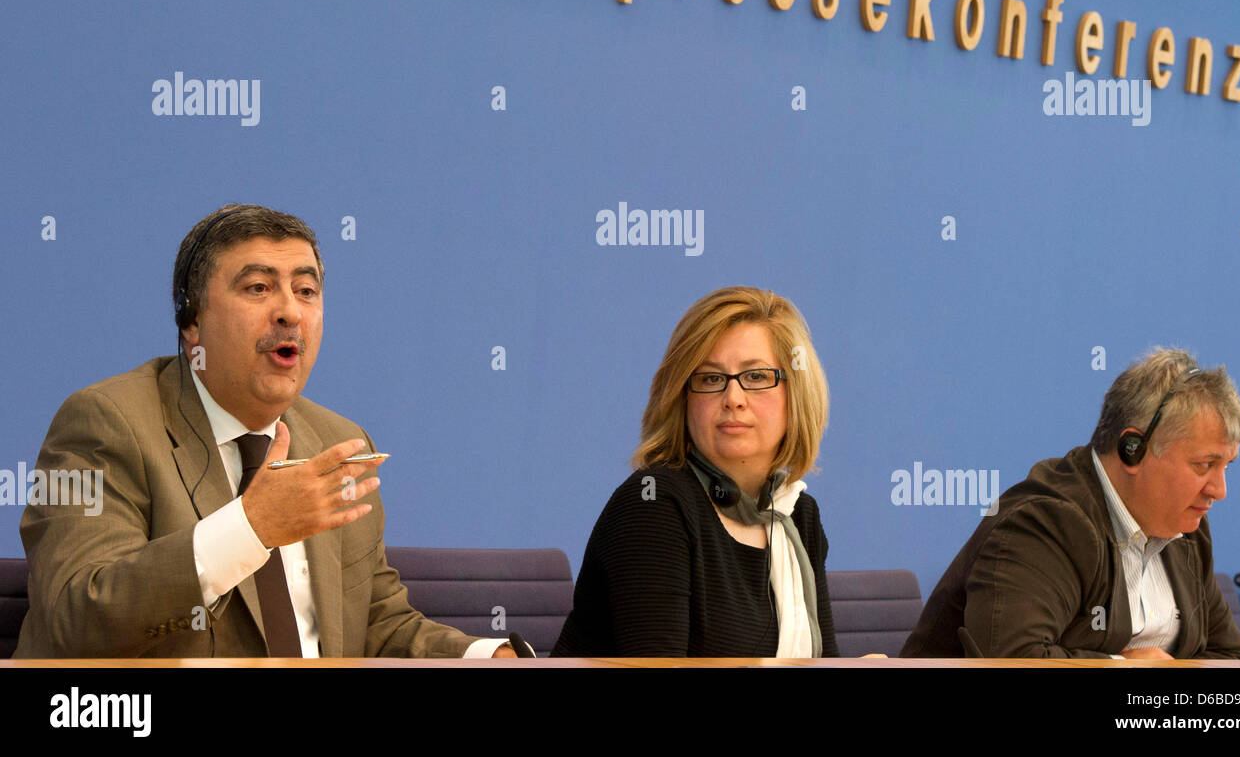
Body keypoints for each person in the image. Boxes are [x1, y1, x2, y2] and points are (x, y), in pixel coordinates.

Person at [16, 204, 515, 658]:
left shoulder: (335, 439)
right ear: (191, 321)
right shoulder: (105, 422)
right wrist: (251, 527)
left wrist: (486, 656)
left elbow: (375, 625)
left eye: (306, 290)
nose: (290, 312)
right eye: (258, 288)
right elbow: (74, 617)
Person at [902, 348, 1240, 659]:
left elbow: (1230, 654)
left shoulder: (1187, 532)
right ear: (1133, 450)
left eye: (1226, 467)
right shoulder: (1044, 522)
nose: (1219, 490)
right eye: (1204, 465)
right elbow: (1011, 658)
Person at [552, 286, 837, 657]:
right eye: (710, 379)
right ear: (682, 398)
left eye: (755, 377)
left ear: (796, 393)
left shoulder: (796, 514)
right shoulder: (654, 504)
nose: (733, 398)